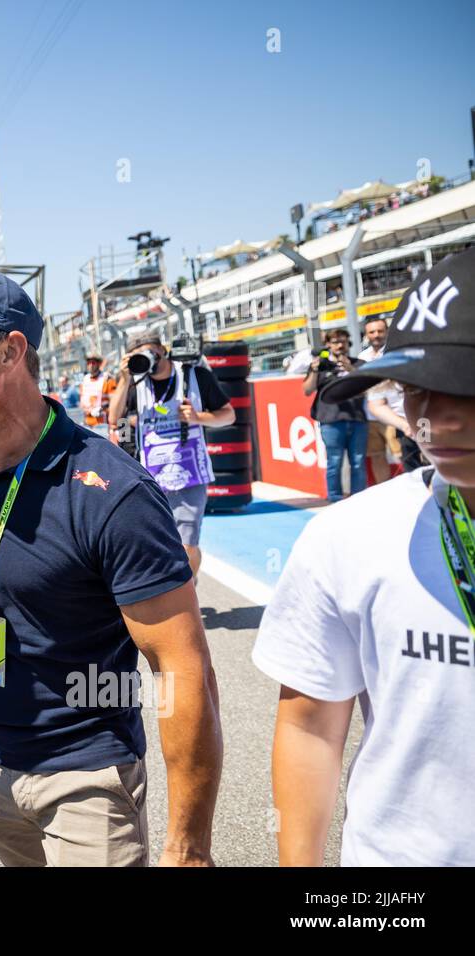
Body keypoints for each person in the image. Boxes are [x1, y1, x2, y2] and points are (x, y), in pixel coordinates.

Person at [0, 272, 222, 867]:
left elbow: (181, 667)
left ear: (10, 351)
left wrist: (188, 846)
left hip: (84, 775)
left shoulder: (112, 490)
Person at [253, 247, 475, 865]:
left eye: (465, 387)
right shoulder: (347, 535)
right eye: (414, 389)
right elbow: (309, 727)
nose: (434, 419)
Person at [107, 332, 236, 582]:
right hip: (150, 477)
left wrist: (199, 418)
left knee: (187, 542)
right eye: (139, 354)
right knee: (157, 543)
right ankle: (184, 582)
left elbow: (229, 415)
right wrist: (124, 379)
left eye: (151, 352)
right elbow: (114, 419)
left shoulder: (194, 375)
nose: (148, 359)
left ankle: (187, 590)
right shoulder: (135, 383)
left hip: (190, 474)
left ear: (163, 350)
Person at [304, 328, 367, 501]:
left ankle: (359, 498)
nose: (339, 345)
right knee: (334, 461)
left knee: (358, 462)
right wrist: (315, 370)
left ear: (349, 344)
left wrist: (350, 368)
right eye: (335, 342)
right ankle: (334, 498)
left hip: (357, 419)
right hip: (330, 420)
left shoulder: (359, 364)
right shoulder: (321, 365)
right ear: (328, 345)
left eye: (343, 342)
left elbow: (366, 388)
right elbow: (307, 390)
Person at [358, 315, 424, 477]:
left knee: (432, 462)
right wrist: (404, 425)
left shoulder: (407, 353)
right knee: (411, 468)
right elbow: (376, 402)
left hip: (424, 421)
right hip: (399, 423)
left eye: (380, 331)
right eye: (372, 332)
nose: (376, 335)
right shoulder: (364, 359)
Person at [78, 354, 118, 434]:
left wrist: (102, 409)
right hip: (88, 424)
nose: (91, 365)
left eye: (93, 363)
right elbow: (82, 402)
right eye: (89, 363)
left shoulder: (107, 380)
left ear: (99, 364)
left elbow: (115, 403)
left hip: (103, 424)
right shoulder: (84, 381)